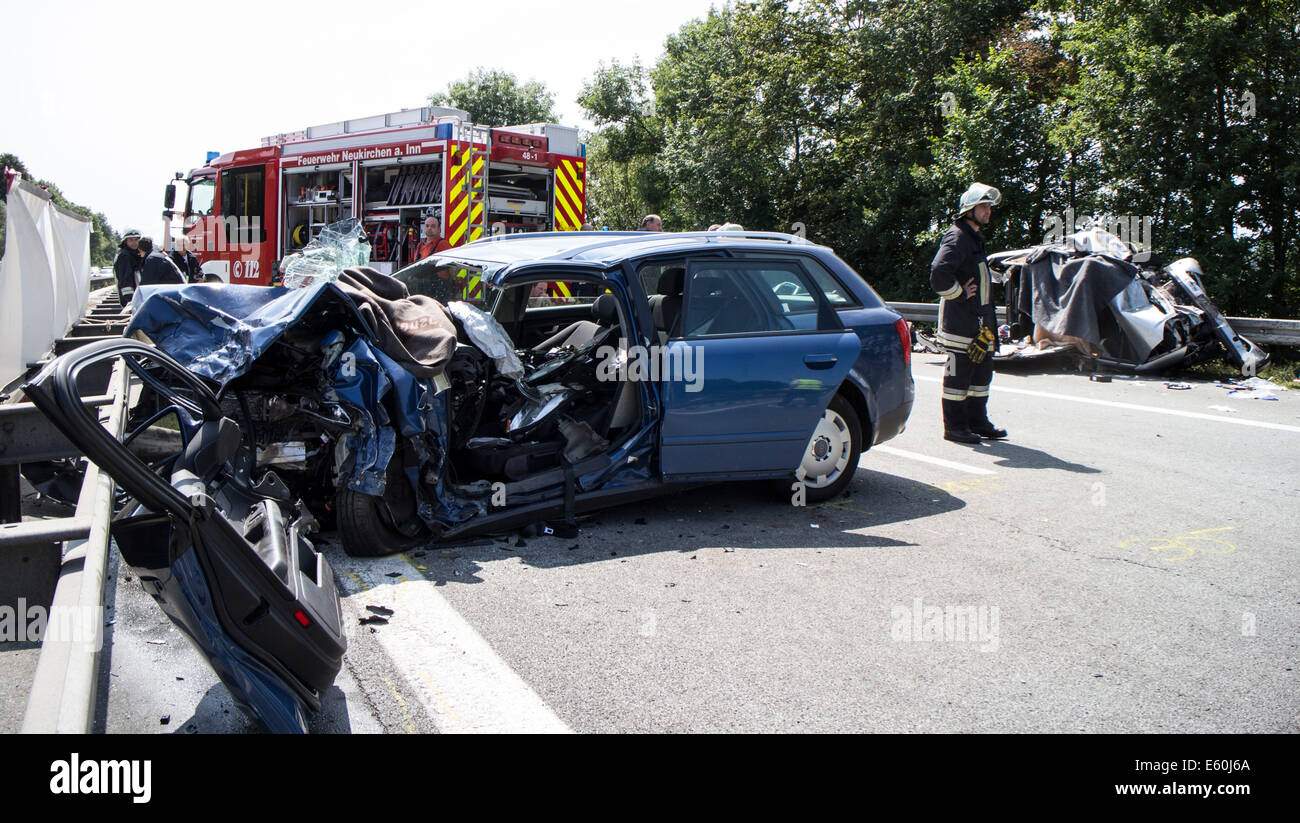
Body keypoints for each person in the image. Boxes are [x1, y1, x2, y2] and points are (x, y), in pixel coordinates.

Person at [929, 182, 1007, 443]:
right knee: (957, 378)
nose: (988, 211)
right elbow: (939, 273)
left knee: (981, 375)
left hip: (979, 323)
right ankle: (954, 427)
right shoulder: (958, 237)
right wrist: (960, 294)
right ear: (969, 210)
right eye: (983, 206)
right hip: (960, 324)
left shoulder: (973, 238)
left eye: (988, 206)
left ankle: (978, 422)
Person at [113, 229, 144, 303]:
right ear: (125, 241)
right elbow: (125, 278)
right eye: (131, 240)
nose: (134, 243)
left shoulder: (136, 254)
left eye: (136, 240)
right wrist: (129, 299)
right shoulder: (124, 256)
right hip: (130, 297)